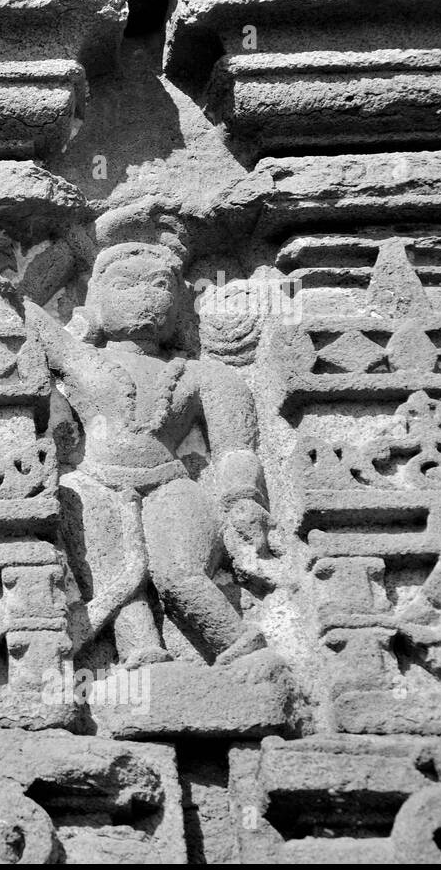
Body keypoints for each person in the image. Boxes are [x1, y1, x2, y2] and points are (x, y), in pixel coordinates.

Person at [23, 242, 272, 667]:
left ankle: (248, 658)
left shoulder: (203, 375)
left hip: (169, 482)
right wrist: (58, 256)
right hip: (94, 482)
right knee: (118, 581)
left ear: (178, 307)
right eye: (125, 283)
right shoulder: (82, 360)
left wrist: (242, 498)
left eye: (160, 286)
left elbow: (234, 447)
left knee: (180, 575)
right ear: (95, 299)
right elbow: (21, 308)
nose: (145, 295)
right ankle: (143, 662)